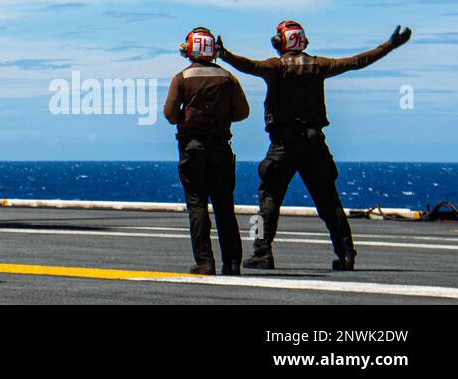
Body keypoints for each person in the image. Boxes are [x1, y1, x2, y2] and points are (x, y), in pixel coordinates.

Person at [219, 21, 412, 271]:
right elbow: (358, 61)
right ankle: (346, 254)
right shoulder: (319, 65)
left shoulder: (276, 67)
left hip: (283, 144)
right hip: (314, 142)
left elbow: (249, 66)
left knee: (267, 200)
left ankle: (262, 252)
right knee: (329, 201)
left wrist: (226, 55)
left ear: (280, 42)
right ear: (303, 42)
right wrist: (390, 45)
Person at [163, 27, 250, 275]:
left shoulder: (181, 78)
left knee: (197, 204)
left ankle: (204, 261)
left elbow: (170, 114)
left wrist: (187, 118)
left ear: (189, 49)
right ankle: (232, 263)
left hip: (193, 148)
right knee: (224, 206)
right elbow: (243, 112)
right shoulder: (228, 77)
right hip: (221, 147)